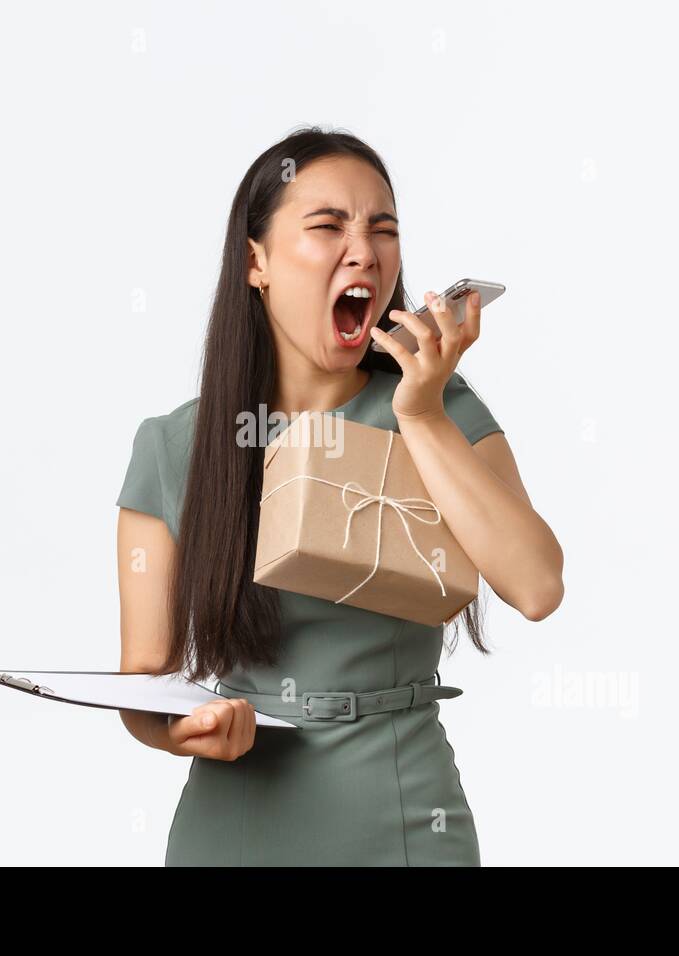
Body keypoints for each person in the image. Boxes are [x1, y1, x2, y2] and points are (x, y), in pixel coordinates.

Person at [115, 126, 564, 865]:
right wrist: (178, 731)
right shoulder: (173, 447)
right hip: (232, 824)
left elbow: (538, 584)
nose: (365, 251)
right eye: (328, 226)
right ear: (255, 261)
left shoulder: (439, 408)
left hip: (403, 814)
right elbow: (145, 679)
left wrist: (420, 414)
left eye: (382, 230)